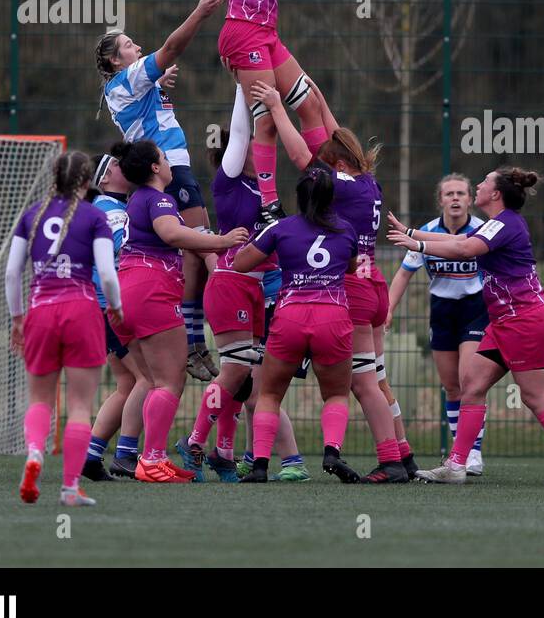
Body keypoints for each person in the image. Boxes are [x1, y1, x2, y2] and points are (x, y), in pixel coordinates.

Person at [388, 168, 544, 486]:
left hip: (528, 320)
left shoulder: (507, 223)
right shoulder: (497, 224)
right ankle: (457, 464)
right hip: (503, 323)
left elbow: (463, 250)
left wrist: (418, 247)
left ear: (495, 194)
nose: (478, 186)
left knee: (534, 396)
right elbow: (459, 240)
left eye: (483, 183)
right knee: (472, 389)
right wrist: (413, 233)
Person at [182, 0, 359, 224]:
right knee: (267, 123)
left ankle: (324, 178)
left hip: (264, 35)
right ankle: (269, 206)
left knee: (308, 102)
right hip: (245, 35)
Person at [251, 81, 410, 482]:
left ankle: (390, 460)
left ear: (337, 166)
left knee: (362, 384)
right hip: (372, 278)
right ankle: (404, 455)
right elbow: (336, 139)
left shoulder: (340, 183)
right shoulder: (369, 181)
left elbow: (302, 156)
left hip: (352, 286)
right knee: (377, 377)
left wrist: (277, 106)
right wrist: (316, 100)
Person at [177, 88, 308, 482]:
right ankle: (195, 442)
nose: (261, 148)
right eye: (255, 144)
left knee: (247, 375)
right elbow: (238, 131)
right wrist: (241, 84)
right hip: (231, 283)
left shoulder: (263, 188)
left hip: (253, 287)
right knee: (234, 372)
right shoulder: (230, 181)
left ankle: (223, 452)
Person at [95, 0, 226, 381]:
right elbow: (170, 47)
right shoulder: (125, 80)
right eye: (128, 45)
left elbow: (157, 73)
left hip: (170, 167)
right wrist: (200, 14)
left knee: (195, 246)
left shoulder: (136, 83)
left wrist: (159, 79)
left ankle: (196, 335)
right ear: (114, 60)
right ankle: (212, 325)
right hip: (167, 170)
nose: (137, 46)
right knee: (200, 245)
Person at [106, 140, 249, 483]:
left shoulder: (138, 198)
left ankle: (147, 458)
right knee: (171, 380)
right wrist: (221, 241)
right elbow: (171, 233)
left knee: (156, 381)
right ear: (155, 168)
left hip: (127, 290)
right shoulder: (158, 199)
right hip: (150, 290)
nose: (170, 163)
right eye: (165, 158)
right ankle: (152, 459)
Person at [232, 168, 365, 484]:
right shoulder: (347, 230)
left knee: (270, 394)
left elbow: (240, 263)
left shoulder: (280, 227)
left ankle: (261, 465)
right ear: (331, 197)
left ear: (299, 197)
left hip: (290, 315)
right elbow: (350, 266)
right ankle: (332, 453)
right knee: (335, 395)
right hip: (332, 316)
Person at [6, 151, 118, 507]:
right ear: (87, 183)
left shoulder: (31, 215)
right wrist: (115, 307)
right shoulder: (95, 216)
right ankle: (70, 488)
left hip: (40, 310)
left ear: (54, 179)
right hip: (82, 311)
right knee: (81, 406)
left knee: (40, 399)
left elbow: (11, 274)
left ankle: (35, 453)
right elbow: (106, 273)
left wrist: (17, 318)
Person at [386, 173, 489, 475]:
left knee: (470, 382)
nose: (455, 198)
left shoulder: (483, 231)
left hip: (475, 310)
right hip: (442, 311)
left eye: (461, 193)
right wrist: (388, 309)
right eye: (449, 194)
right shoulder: (427, 233)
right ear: (440, 200)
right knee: (451, 386)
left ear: (470, 199)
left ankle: (473, 454)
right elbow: (404, 274)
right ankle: (461, 449)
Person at [79, 148, 150, 482]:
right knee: (147, 380)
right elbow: (124, 244)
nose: (128, 167)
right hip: (109, 305)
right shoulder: (111, 210)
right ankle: (125, 455)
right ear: (105, 177)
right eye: (120, 165)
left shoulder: (106, 207)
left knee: (127, 382)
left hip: (99, 305)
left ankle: (91, 457)